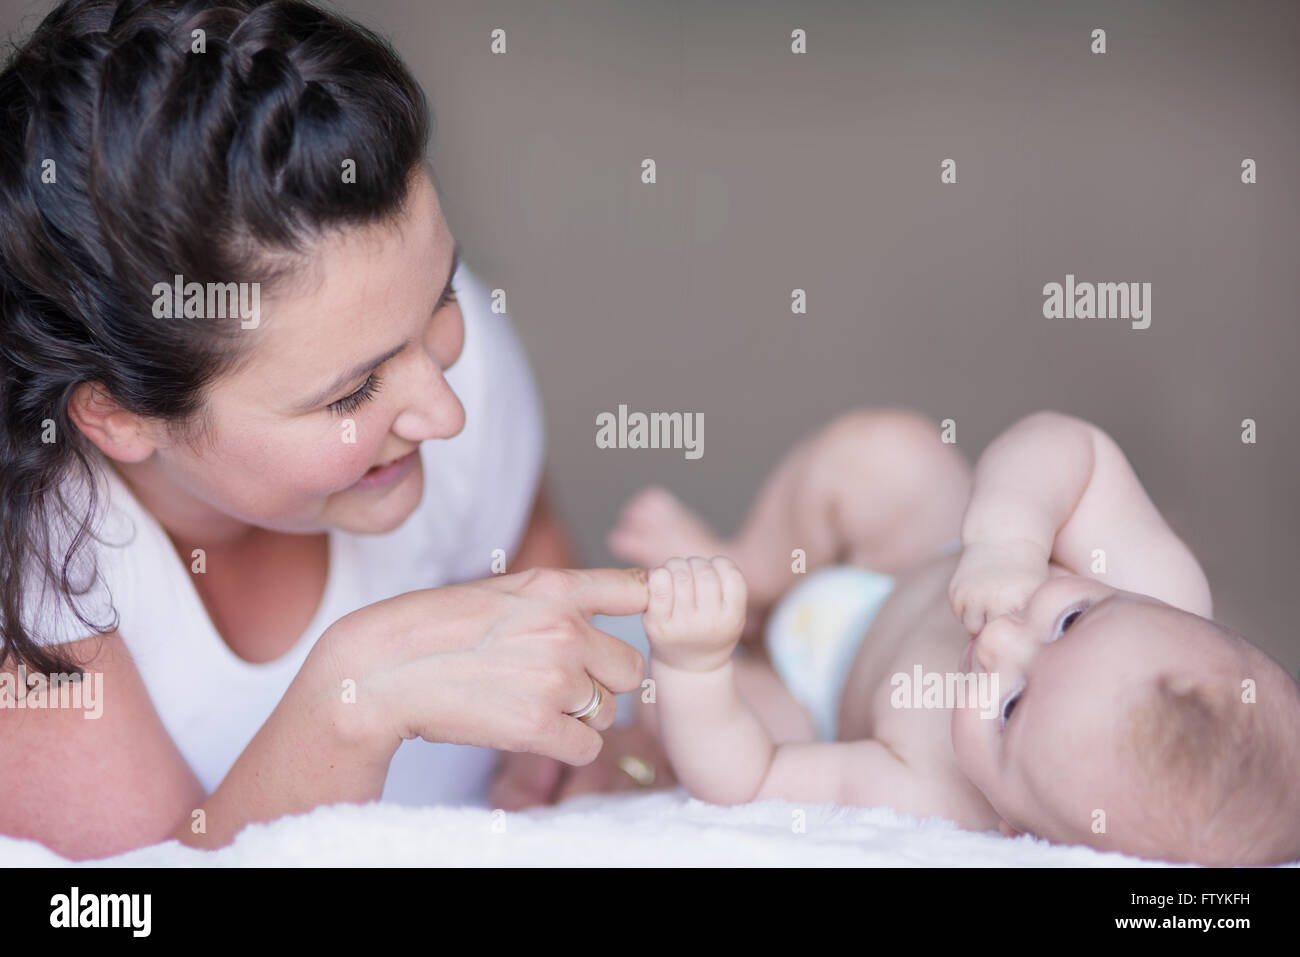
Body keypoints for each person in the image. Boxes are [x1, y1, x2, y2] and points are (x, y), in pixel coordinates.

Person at [0, 0, 661, 862]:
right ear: (120, 416)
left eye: (443, 299)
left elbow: (571, 662)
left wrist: (599, 743)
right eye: (352, 394)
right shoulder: (37, 568)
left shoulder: (458, 364)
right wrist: (351, 696)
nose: (446, 411)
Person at [611, 409, 1300, 865]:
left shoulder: (939, 796)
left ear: (1022, 832)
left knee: (675, 713)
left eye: (1010, 707)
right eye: (1071, 620)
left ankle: (727, 633)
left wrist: (695, 667)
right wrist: (1008, 539)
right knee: (887, 456)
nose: (1001, 642)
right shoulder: (1157, 585)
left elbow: (752, 777)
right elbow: (1068, 447)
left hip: (811, 681)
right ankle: (751, 568)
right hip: (914, 557)